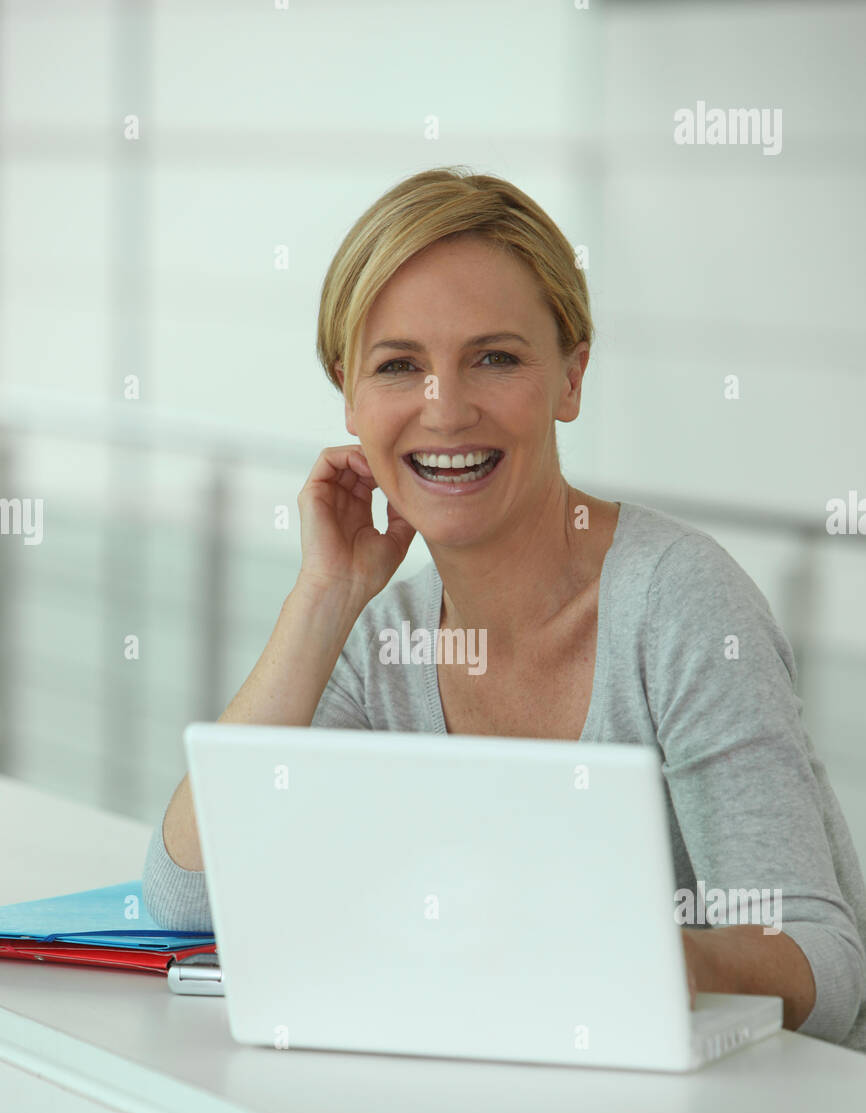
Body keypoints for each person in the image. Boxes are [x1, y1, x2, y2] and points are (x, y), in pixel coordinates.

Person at [142, 165, 866, 1049]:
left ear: (570, 378)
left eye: (495, 358)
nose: (445, 411)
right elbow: (186, 899)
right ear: (350, 395)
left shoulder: (678, 601)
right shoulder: (386, 641)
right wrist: (324, 598)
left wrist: (632, 953)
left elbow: (824, 965)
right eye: (399, 366)